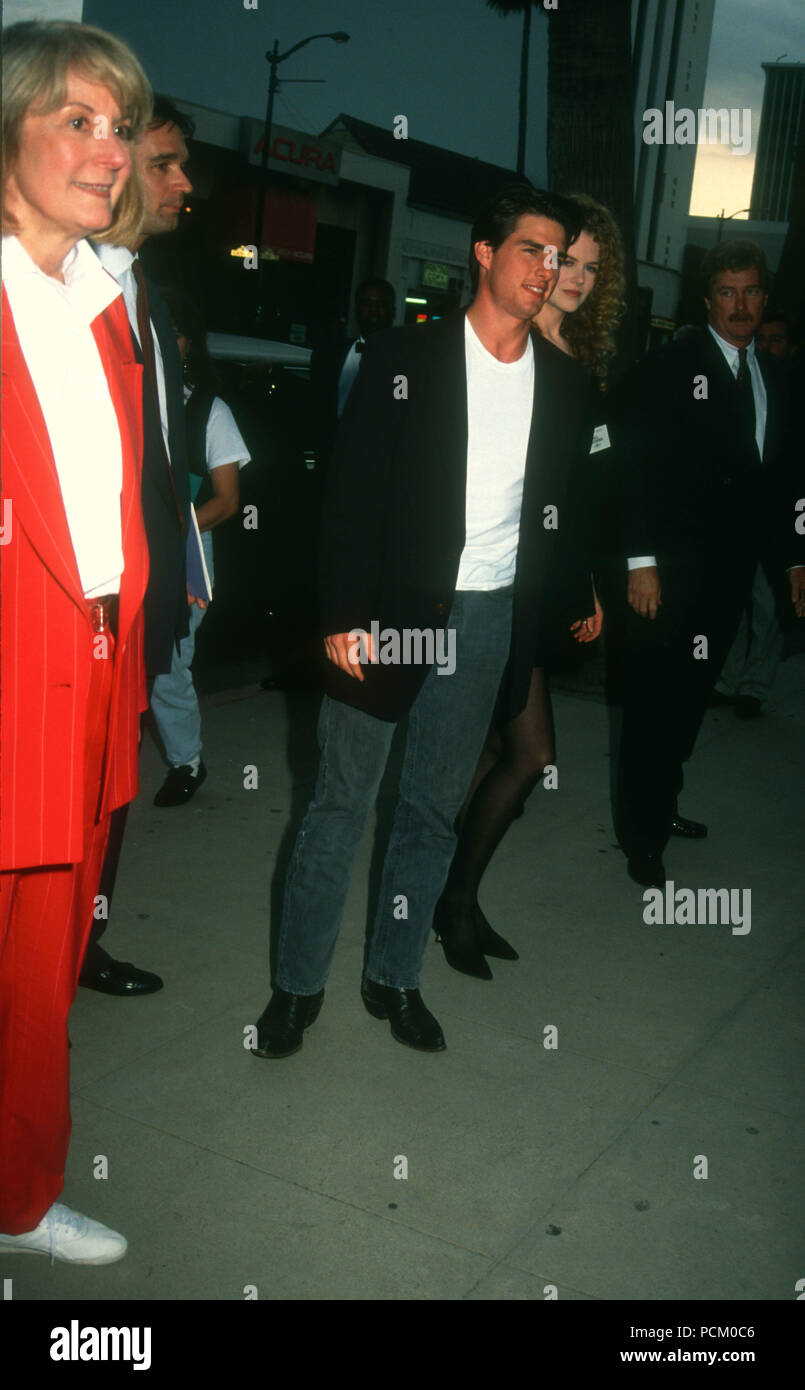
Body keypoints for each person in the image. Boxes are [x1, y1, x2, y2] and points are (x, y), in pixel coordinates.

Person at [251, 183, 597, 1060]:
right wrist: (340, 615)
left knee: (431, 813)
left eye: (558, 256)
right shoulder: (404, 356)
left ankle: (393, 977)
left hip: (485, 617)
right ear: (483, 254)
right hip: (388, 614)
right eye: (531, 249)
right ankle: (296, 989)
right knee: (339, 806)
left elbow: (559, 504)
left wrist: (575, 588)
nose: (546, 270)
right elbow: (350, 498)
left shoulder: (562, 381)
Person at [0, 19, 151, 1264]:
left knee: (42, 970)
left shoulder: (105, 308)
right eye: (79, 123)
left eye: (121, 129)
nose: (113, 154)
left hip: (90, 668)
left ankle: (19, 1192)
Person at [434, 193, 623, 979]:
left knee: (497, 751)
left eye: (586, 267)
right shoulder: (517, 350)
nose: (569, 277)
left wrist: (588, 584)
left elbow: (580, 495)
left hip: (541, 587)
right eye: (559, 259)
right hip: (500, 587)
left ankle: (457, 897)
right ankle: (451, 900)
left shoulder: (572, 354)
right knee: (528, 752)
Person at [605, 239, 805, 888]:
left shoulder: (771, 373)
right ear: (706, 299)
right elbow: (628, 465)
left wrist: (794, 558)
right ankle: (641, 835)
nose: (740, 304)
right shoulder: (669, 365)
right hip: (665, 572)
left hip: (726, 574)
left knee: (691, 699)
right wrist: (639, 559)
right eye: (727, 291)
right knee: (653, 702)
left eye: (751, 291)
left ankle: (660, 805)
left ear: (764, 297)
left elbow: (780, 479)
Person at [78, 94, 198, 997]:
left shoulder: (142, 290)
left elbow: (162, 459)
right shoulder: (63, 289)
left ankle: (83, 946)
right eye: (162, 162)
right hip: (81, 596)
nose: (181, 181)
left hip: (143, 589)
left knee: (114, 790)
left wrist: (180, 570)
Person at [148, 286, 251, 783]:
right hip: (130, 551)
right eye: (158, 331)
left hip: (186, 554)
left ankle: (186, 761)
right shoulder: (129, 398)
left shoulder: (210, 411)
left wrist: (171, 532)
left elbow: (228, 502)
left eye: (178, 332)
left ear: (191, 343)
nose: (168, 340)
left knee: (169, 666)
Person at [712, 308, 800, 716]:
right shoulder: (741, 379)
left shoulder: (791, 390)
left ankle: (754, 687)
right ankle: (726, 679)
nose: (766, 347)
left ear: (792, 346)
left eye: (776, 340)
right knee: (731, 597)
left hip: (778, 517)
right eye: (761, 339)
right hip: (736, 517)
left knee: (767, 604)